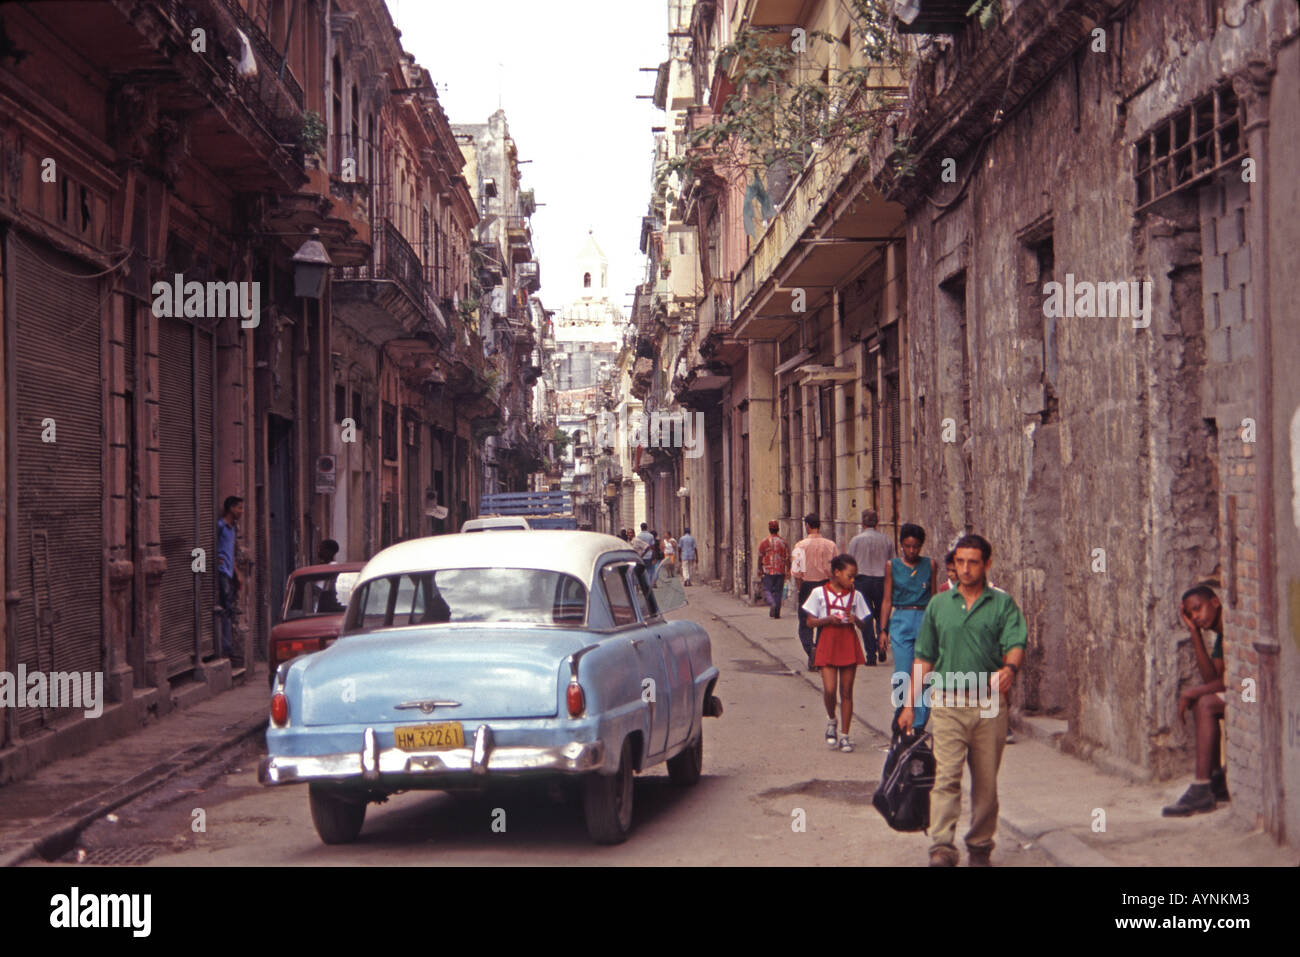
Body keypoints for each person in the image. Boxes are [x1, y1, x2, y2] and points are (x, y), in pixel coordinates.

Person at [899, 533, 1027, 867]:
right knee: (946, 776)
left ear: (986, 564)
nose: (966, 569)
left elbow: (1016, 642)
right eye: (960, 562)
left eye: (973, 562)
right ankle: (942, 846)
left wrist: (1010, 667)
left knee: (985, 781)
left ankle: (980, 846)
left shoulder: (1001, 604)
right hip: (947, 700)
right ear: (953, 564)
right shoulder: (939, 605)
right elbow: (923, 657)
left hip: (987, 702)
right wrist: (909, 704)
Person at [1162, 585, 1230, 816]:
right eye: (1191, 615)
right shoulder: (1221, 637)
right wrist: (1195, 633)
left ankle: (1202, 788)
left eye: (1198, 609)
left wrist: (1191, 692)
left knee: (1205, 702)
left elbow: (1231, 681)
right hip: (1243, 691)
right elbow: (1212, 677)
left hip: (1253, 694)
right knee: (1204, 701)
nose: (1196, 617)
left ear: (1215, 602)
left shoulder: (1234, 627)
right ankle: (1212, 781)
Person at [802, 554, 871, 752]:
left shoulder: (855, 595)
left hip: (848, 642)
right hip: (828, 641)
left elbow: (864, 623)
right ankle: (831, 719)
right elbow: (810, 621)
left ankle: (845, 735)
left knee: (847, 691)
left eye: (854, 577)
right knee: (830, 689)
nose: (852, 580)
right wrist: (827, 620)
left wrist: (854, 619)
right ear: (837, 573)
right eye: (850, 576)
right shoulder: (818, 593)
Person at [880, 523, 938, 730]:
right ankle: (902, 716)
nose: (912, 551)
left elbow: (933, 598)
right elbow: (887, 600)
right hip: (901, 620)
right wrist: (883, 629)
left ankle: (920, 723)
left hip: (924, 619)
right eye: (907, 546)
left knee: (925, 675)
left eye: (916, 547)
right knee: (903, 673)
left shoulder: (930, 565)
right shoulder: (891, 566)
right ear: (901, 545)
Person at [792, 513, 838, 672]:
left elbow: (797, 572)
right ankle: (818, 651)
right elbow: (836, 570)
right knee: (823, 621)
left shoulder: (800, 546)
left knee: (805, 622)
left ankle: (810, 648)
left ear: (807, 526)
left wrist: (800, 588)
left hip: (807, 585)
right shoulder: (831, 545)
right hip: (825, 585)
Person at [847, 509, 893, 665]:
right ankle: (882, 644)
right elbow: (891, 563)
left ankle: (871, 655)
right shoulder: (886, 540)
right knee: (883, 616)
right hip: (882, 580)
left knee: (865, 617)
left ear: (863, 522)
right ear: (877, 522)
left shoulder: (855, 540)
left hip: (862, 581)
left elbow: (850, 564)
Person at [216, 495, 243, 664]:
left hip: (228, 573)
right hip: (220, 572)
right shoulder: (220, 526)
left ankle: (228, 647)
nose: (241, 512)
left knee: (229, 610)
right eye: (239, 508)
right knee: (225, 610)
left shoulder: (233, 529)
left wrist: (237, 573)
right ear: (231, 508)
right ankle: (226, 649)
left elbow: (230, 553)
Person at [757, 520, 790, 618]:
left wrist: (759, 569)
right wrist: (788, 569)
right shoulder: (783, 542)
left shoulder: (764, 542)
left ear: (769, 529)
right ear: (778, 529)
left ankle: (772, 603)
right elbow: (787, 557)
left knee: (767, 589)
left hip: (768, 570)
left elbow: (760, 556)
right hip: (780, 570)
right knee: (778, 592)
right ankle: (777, 613)